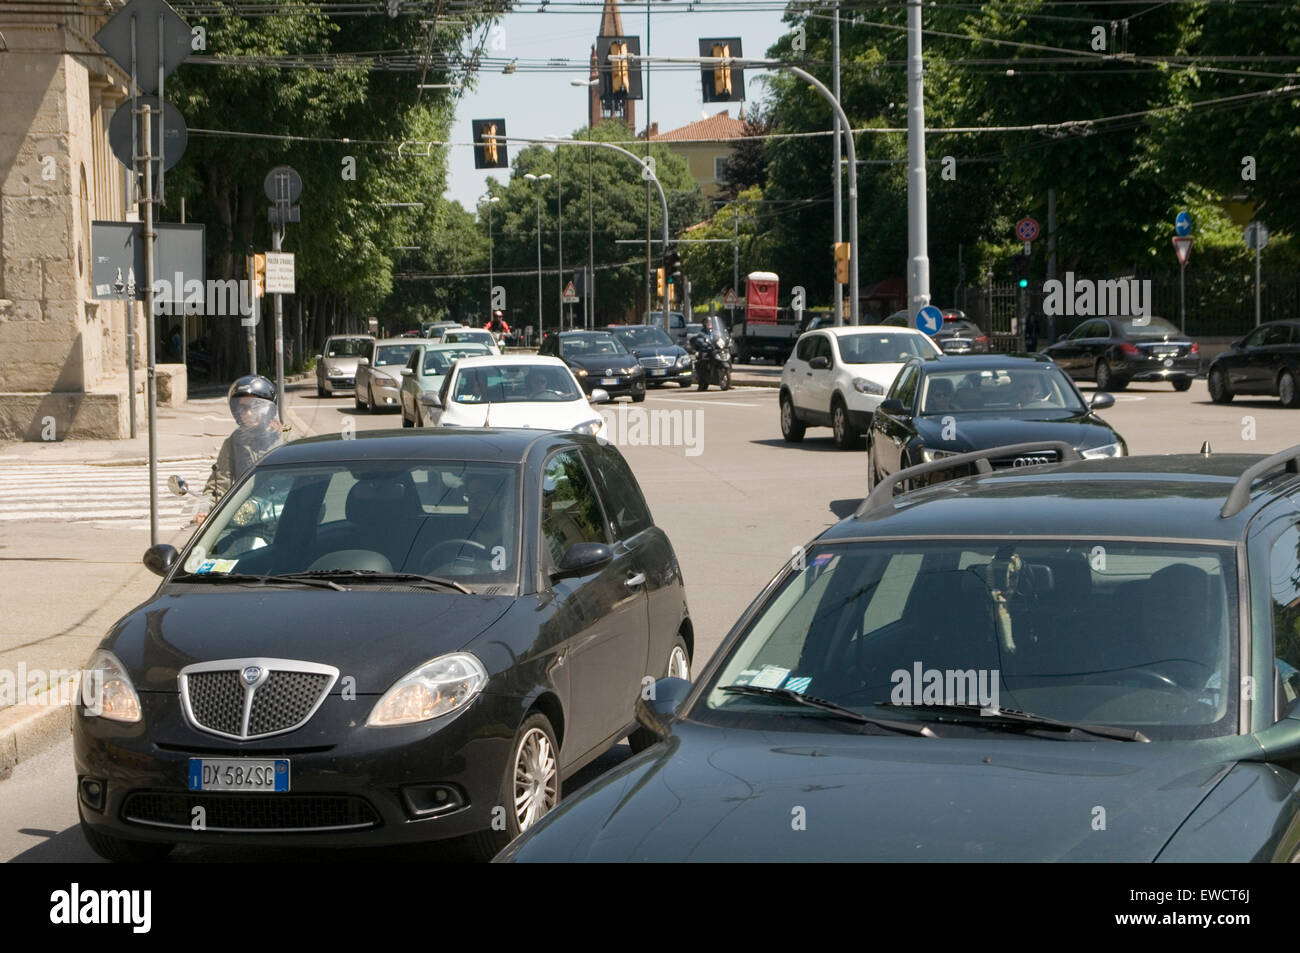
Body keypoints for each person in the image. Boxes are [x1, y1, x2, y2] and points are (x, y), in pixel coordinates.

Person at [194, 376, 288, 521]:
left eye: (255, 406)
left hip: (283, 516)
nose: (247, 413)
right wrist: (205, 509)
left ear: (268, 407)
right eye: (242, 407)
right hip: (246, 518)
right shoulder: (234, 441)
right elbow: (219, 483)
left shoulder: (288, 439)